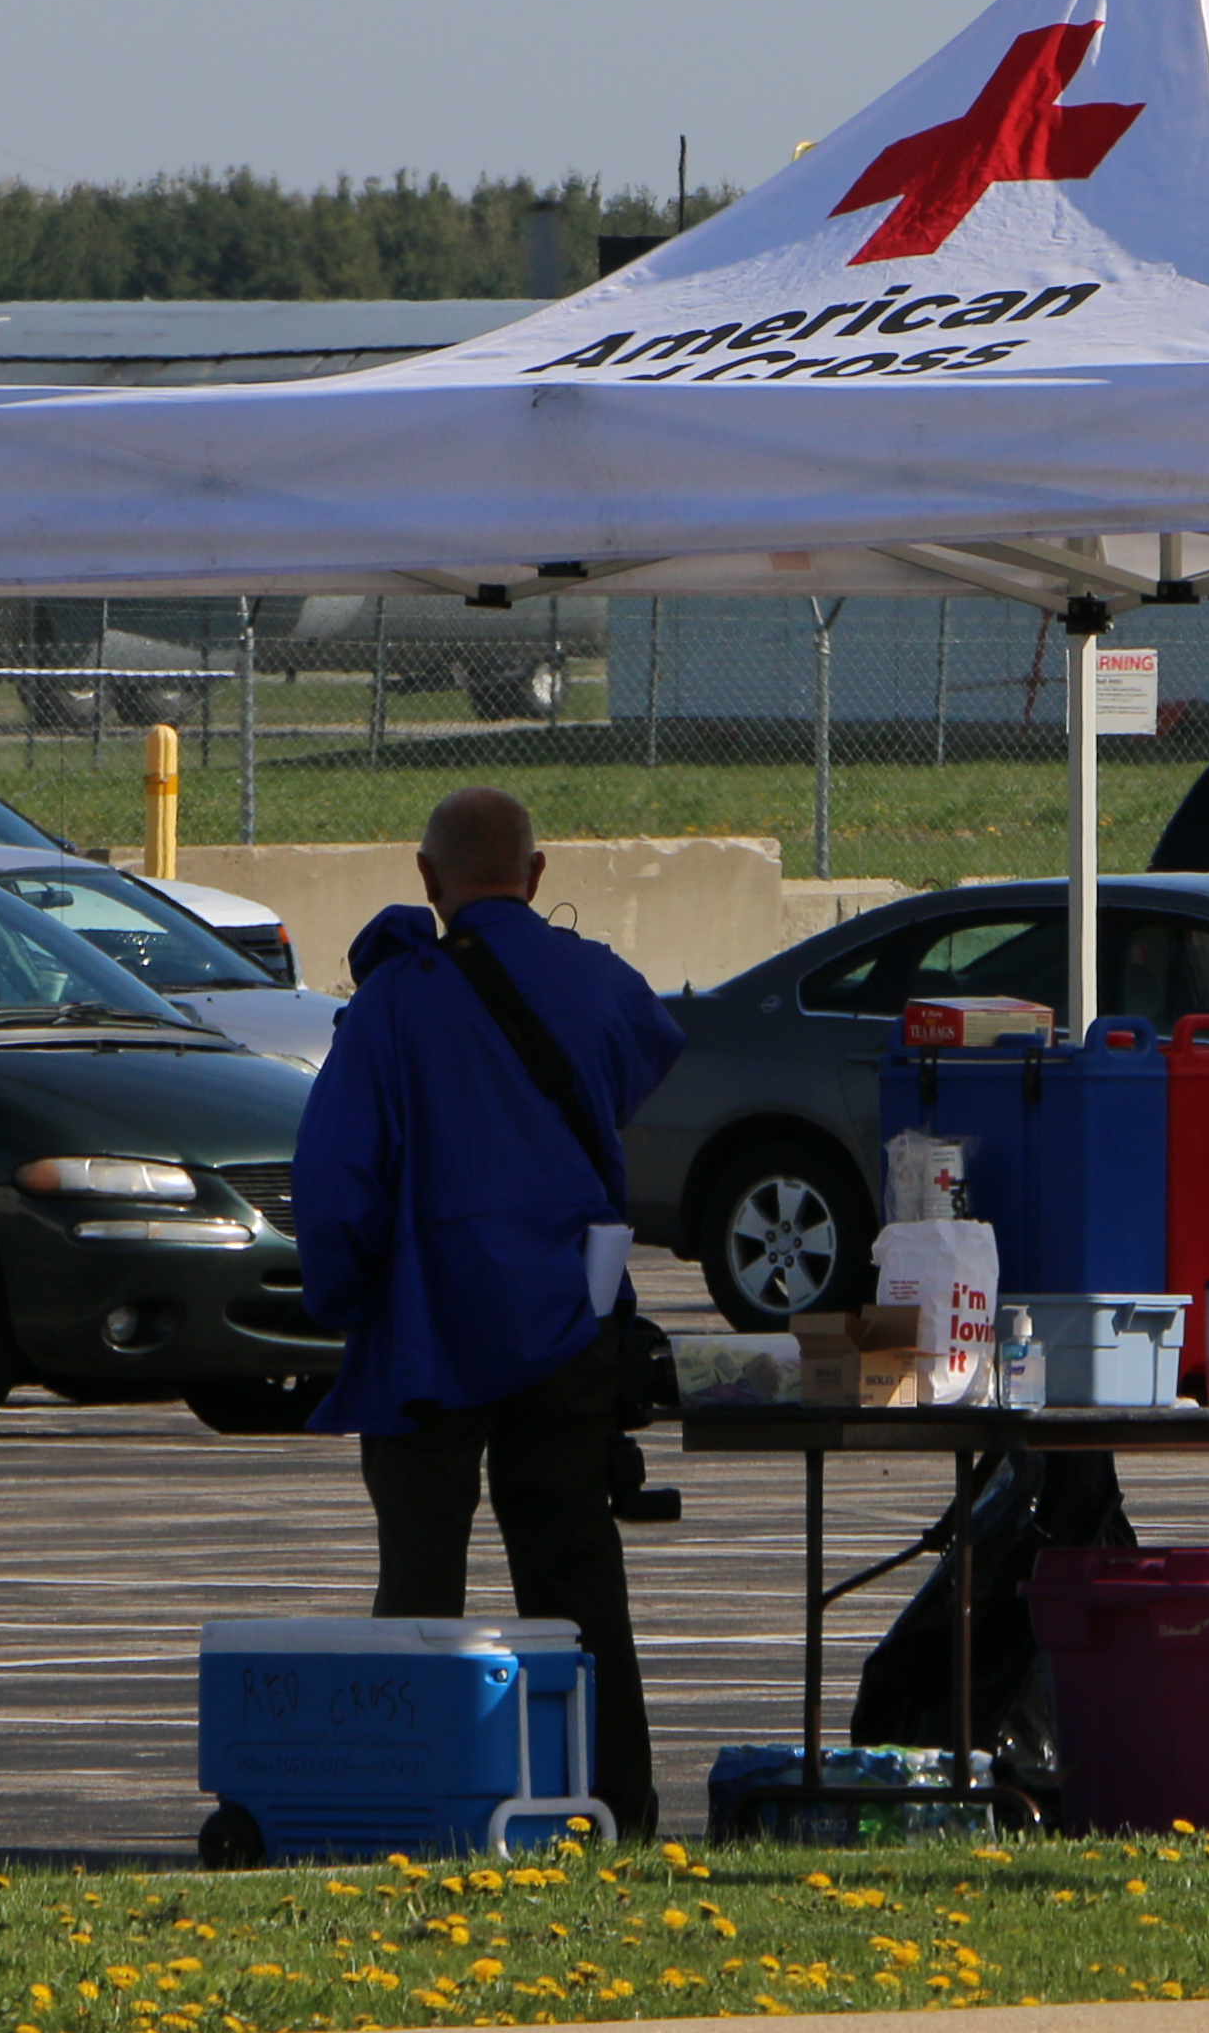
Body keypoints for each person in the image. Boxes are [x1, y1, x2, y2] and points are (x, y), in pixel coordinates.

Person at [293, 785, 691, 1836]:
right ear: (538, 873)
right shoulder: (600, 981)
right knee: (574, 1575)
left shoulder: (392, 1001)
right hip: (568, 1316)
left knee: (420, 1584)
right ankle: (615, 1806)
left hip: (427, 1332)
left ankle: (423, 1806)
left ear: (428, 881)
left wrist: (342, 1301)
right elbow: (647, 1049)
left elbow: (338, 1177)